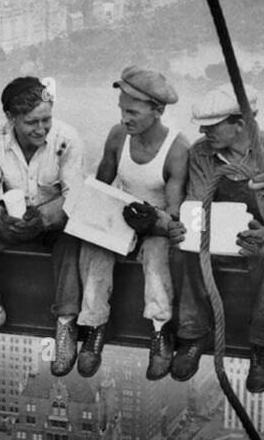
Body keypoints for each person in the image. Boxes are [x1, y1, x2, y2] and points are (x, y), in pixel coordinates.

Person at [169, 87, 264, 392]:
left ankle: (260, 345)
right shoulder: (202, 153)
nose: (202, 131)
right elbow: (197, 202)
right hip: (217, 234)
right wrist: (186, 229)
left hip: (261, 238)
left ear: (240, 123)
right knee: (184, 250)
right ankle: (193, 333)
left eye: (211, 126)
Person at [0, 76, 84, 368]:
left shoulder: (67, 139)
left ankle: (66, 321)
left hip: (54, 218)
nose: (41, 129)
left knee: (73, 237)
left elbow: (74, 196)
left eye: (46, 120)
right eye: (31, 122)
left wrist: (43, 218)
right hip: (13, 216)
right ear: (11, 118)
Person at [76, 66, 190, 379]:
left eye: (132, 112)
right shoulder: (117, 136)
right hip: (121, 215)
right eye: (122, 110)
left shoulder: (177, 150)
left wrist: (154, 221)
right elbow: (101, 186)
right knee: (95, 248)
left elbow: (175, 211)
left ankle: (160, 330)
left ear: (158, 110)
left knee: (155, 257)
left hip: (154, 224)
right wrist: (95, 219)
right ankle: (94, 325)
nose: (125, 119)